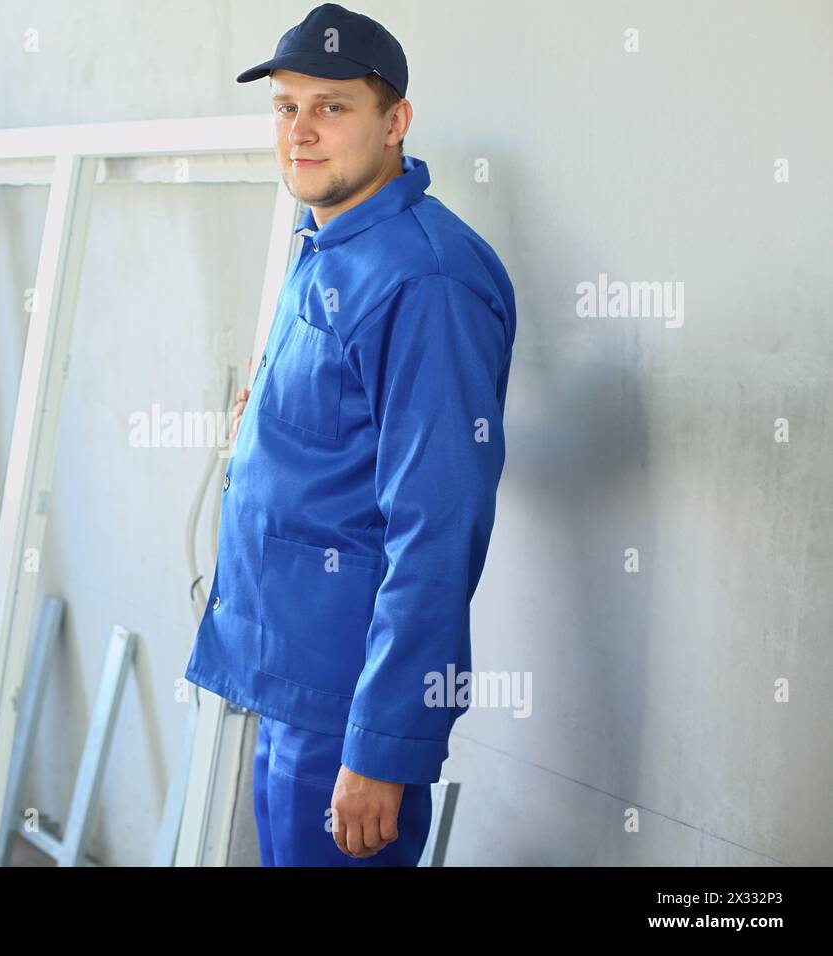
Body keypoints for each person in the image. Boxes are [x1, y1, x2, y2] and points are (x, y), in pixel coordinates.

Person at [185, 3, 516, 865]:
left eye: (331, 106)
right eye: (286, 107)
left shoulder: (426, 279)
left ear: (395, 121)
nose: (300, 130)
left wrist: (380, 742)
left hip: (346, 704)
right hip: (293, 683)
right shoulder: (331, 245)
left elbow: (437, 527)